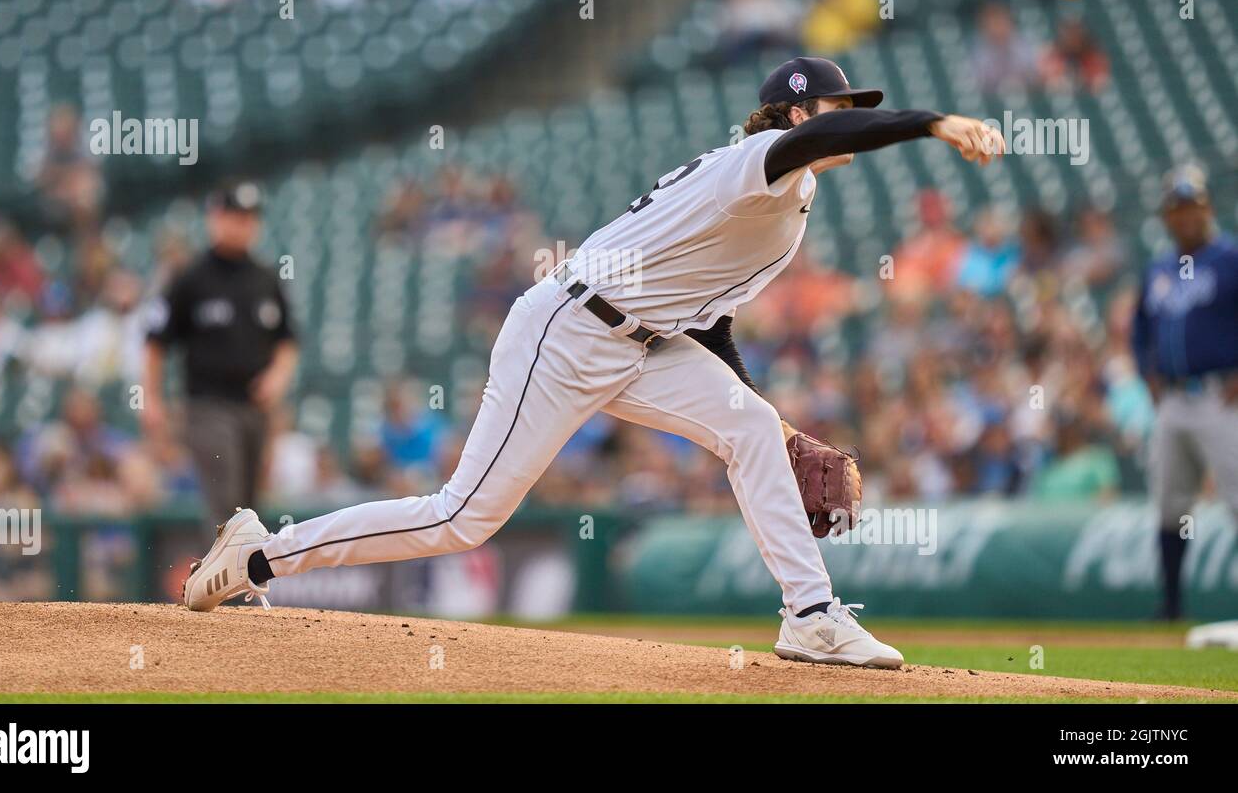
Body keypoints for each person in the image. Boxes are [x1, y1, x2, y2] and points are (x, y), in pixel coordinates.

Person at [182, 56, 1004, 669]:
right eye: (837, 103)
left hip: (644, 341)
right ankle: (261, 554)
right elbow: (823, 134)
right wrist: (932, 122)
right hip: (567, 330)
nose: (851, 117)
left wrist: (777, 425)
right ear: (793, 114)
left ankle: (811, 614)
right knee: (462, 518)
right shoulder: (754, 166)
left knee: (753, 427)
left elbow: (710, 326)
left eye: (858, 108)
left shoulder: (791, 196)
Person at [142, 181, 298, 536]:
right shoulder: (190, 278)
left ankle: (239, 585)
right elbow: (155, 341)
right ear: (215, 218)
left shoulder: (266, 279)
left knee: (251, 504)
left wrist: (278, 377)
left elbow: (288, 340)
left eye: (249, 217)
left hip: (255, 407)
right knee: (225, 502)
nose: (242, 224)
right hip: (207, 406)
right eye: (233, 215)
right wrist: (150, 398)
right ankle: (218, 587)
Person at [1132, 165, 1238, 619]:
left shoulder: (1229, 258)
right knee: (1171, 505)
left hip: (1222, 396)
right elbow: (1139, 330)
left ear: (1208, 209)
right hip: (1173, 399)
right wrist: (1146, 371)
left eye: (1192, 206)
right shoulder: (1159, 267)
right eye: (1177, 208)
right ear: (1167, 216)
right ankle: (1171, 606)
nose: (1185, 216)